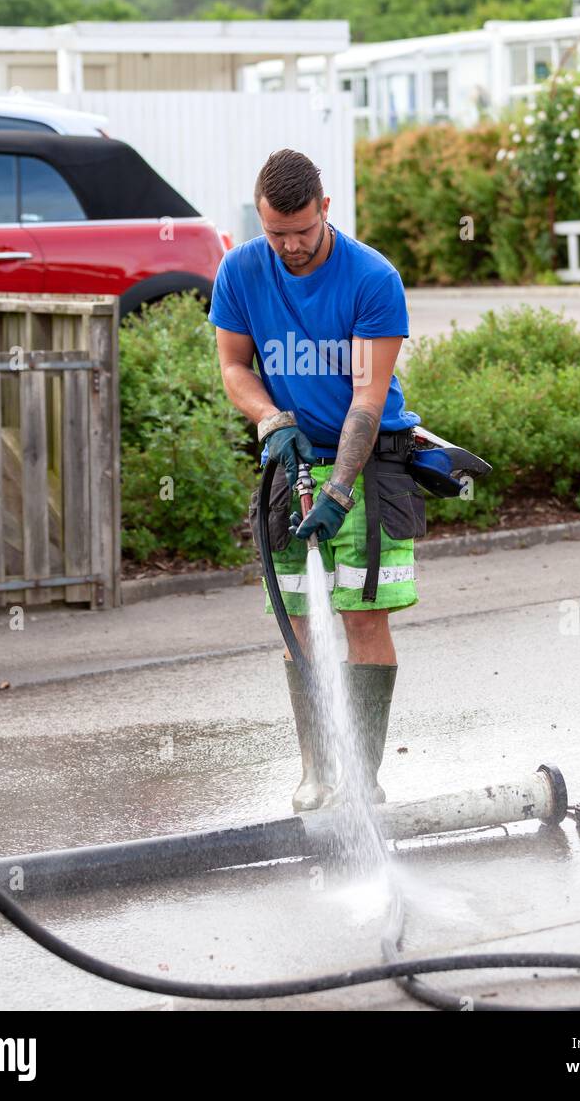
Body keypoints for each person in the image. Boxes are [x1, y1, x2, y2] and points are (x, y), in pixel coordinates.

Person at [209, 148, 426, 813]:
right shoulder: (242, 270)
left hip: (372, 463)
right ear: (262, 220)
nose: (292, 246)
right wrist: (271, 417)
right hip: (290, 459)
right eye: (277, 233)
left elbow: (368, 395)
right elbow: (233, 369)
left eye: (303, 230)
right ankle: (317, 773)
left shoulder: (371, 278)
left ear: (325, 210)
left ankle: (361, 776)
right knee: (297, 619)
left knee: (362, 616)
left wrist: (339, 491)